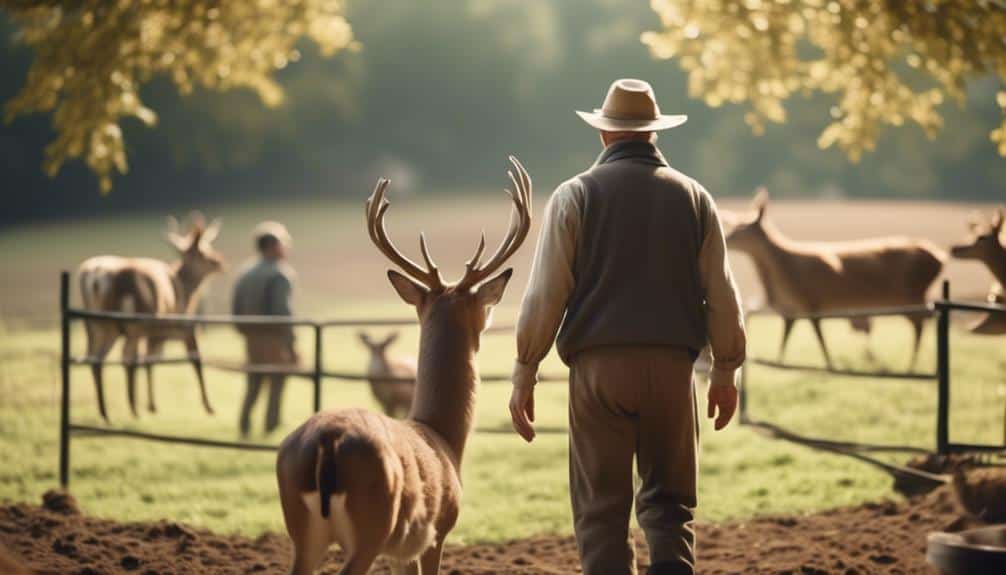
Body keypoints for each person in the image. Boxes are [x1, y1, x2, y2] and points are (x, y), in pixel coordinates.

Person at [508, 79, 747, 575]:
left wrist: (525, 369)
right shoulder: (695, 198)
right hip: (673, 370)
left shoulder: (575, 196)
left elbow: (546, 293)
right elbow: (722, 294)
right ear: (654, 134)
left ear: (604, 134)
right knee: (670, 507)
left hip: (598, 371)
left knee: (601, 511)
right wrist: (725, 370)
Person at [232, 221, 298, 436]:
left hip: (252, 337)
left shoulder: (245, 273)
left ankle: (244, 426)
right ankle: (271, 427)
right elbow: (283, 313)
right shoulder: (279, 274)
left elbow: (236, 309)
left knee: (254, 382)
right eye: (283, 243)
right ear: (272, 246)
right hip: (274, 338)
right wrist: (291, 343)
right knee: (277, 382)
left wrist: (246, 332)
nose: (286, 247)